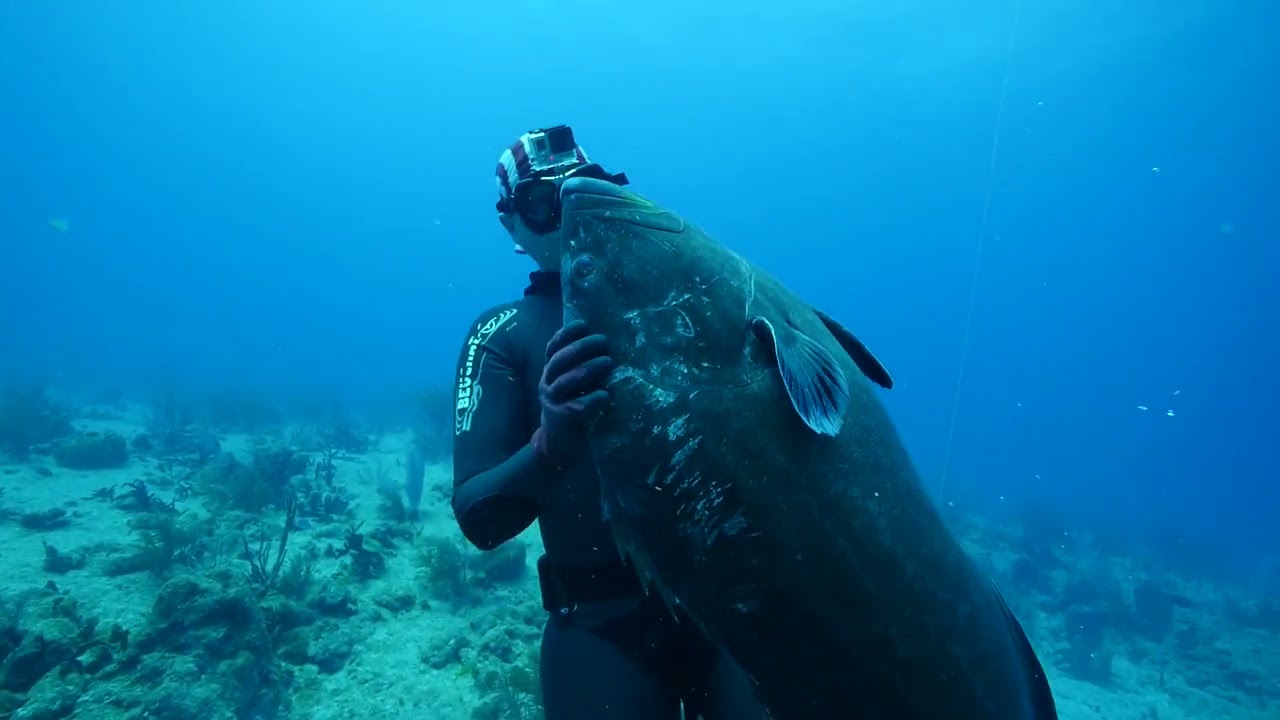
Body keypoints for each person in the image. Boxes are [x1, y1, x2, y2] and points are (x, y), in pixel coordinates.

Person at [450, 125, 766, 720]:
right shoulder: (502, 337)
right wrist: (550, 442)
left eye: (585, 188)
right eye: (544, 202)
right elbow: (479, 517)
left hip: (728, 609)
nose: (570, 212)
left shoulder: (691, 305)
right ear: (510, 224)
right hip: (599, 626)